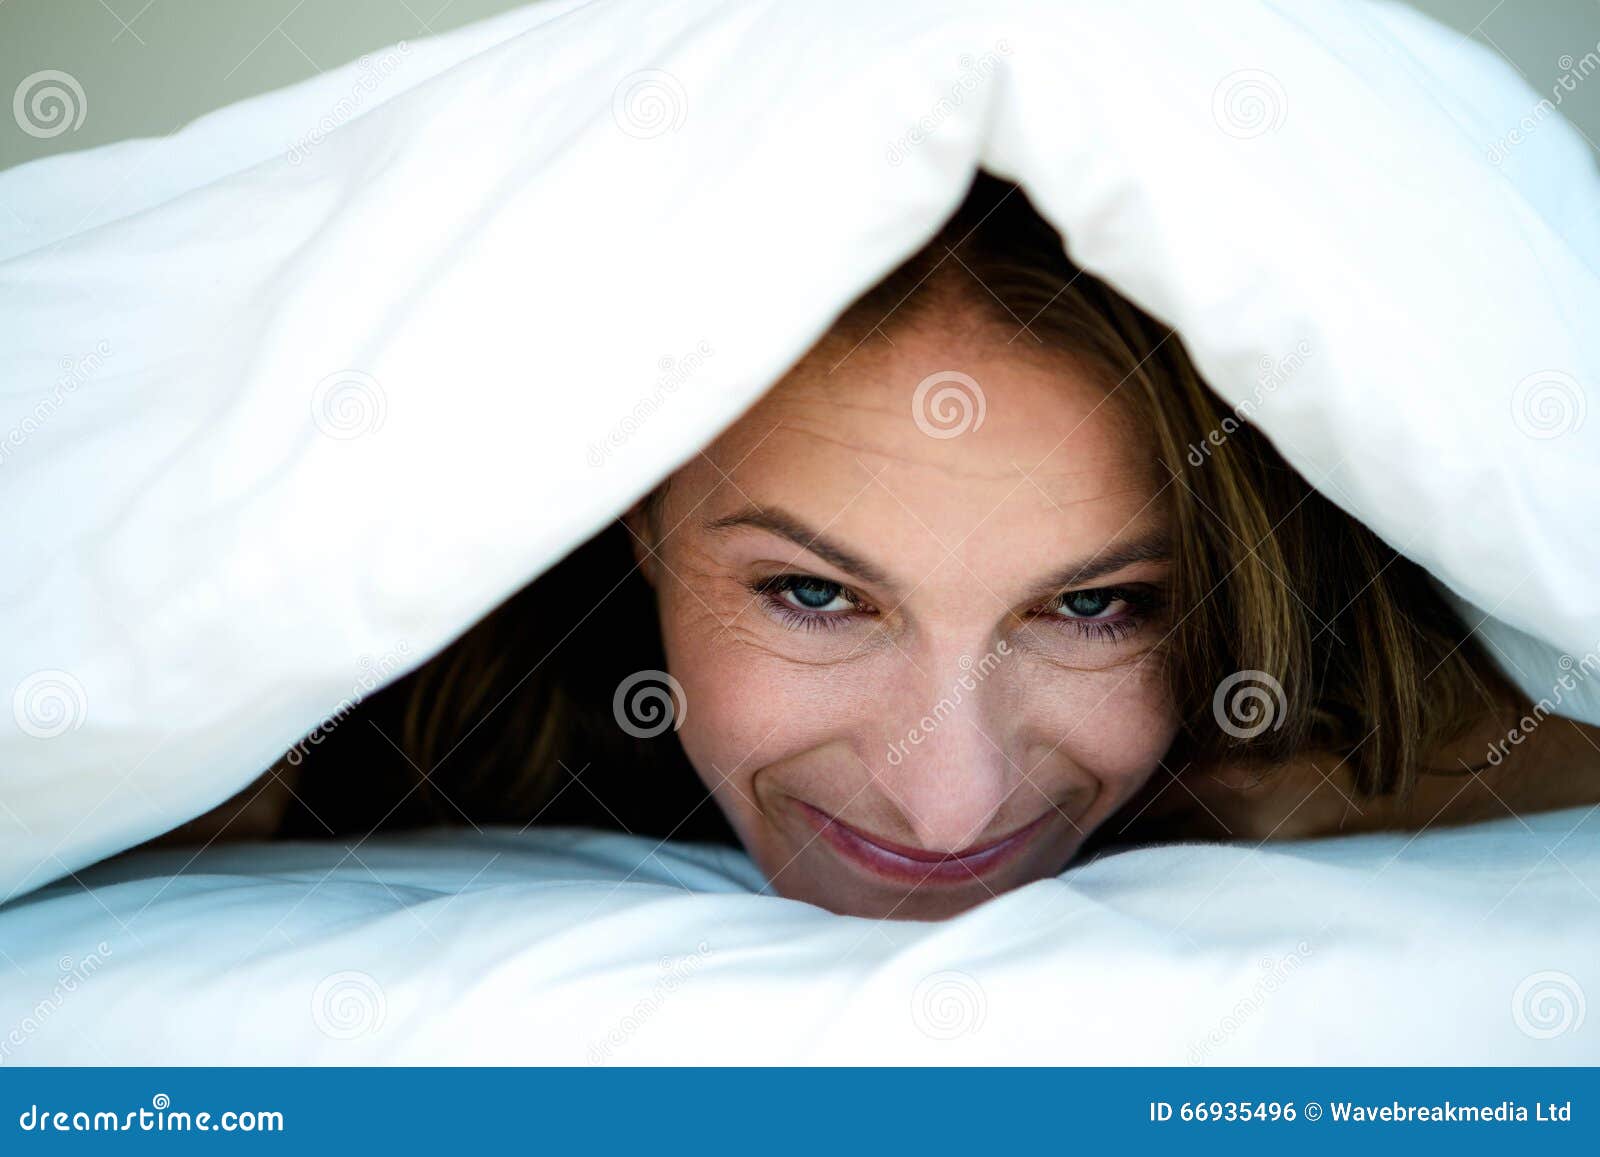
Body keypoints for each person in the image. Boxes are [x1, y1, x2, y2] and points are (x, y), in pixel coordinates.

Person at [181, 175, 1600, 921]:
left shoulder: (1404, 732)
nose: (948, 805)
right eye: (814, 592)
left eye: (1097, 604)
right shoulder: (293, 722)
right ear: (631, 508)